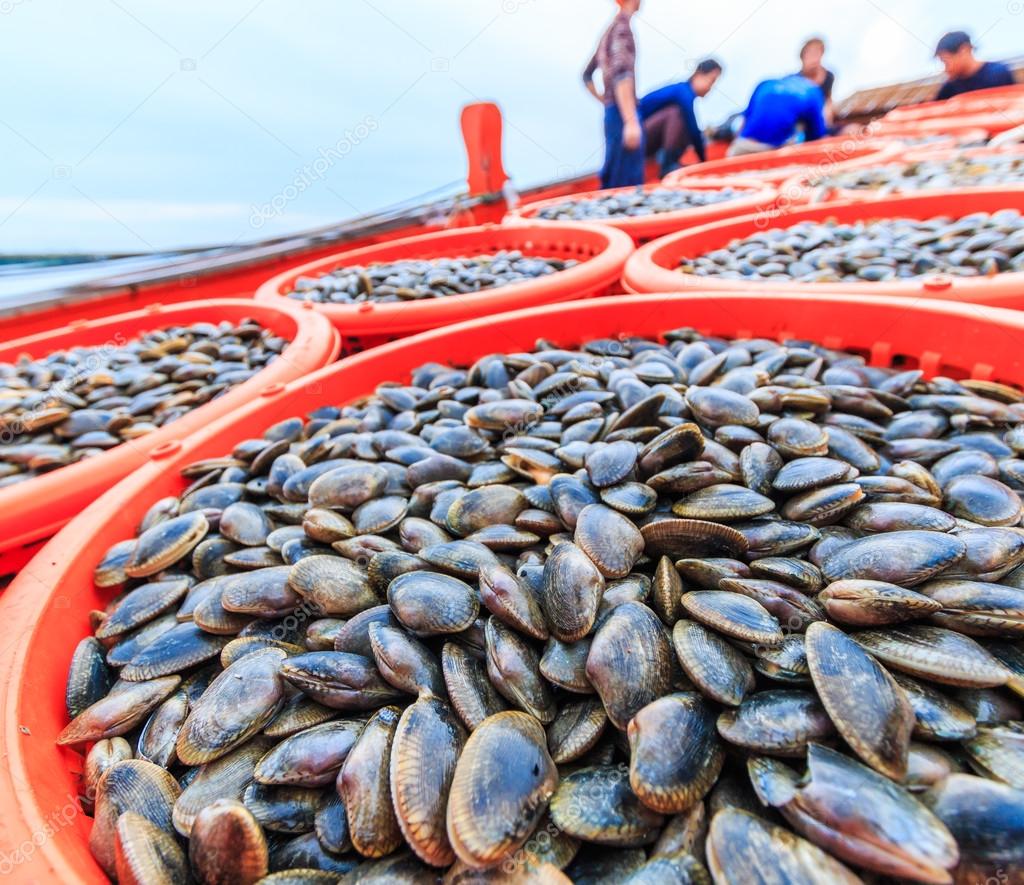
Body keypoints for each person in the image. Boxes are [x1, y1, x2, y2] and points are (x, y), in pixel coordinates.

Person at [583, 0, 644, 189]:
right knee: (626, 182)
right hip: (621, 111)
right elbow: (621, 74)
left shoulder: (608, 31)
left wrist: (605, 100)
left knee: (613, 175)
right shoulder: (622, 28)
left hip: (612, 110)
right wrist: (630, 120)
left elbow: (586, 75)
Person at [639, 59, 723, 176]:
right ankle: (668, 164)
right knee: (677, 113)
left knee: (685, 122)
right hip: (637, 138)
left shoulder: (685, 93)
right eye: (711, 81)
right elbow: (693, 129)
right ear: (698, 74)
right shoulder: (683, 91)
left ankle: (670, 161)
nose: (711, 87)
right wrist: (703, 161)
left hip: (647, 141)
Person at [727, 73, 828, 157]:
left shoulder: (765, 83)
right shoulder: (814, 91)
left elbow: (745, 121)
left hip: (742, 146)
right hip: (774, 151)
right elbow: (817, 136)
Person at [935, 31, 1015, 100]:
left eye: (946, 61)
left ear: (964, 50)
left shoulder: (998, 73)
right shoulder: (949, 88)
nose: (945, 69)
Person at [797, 37, 835, 127]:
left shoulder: (828, 76)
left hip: (821, 125)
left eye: (817, 53)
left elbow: (828, 102)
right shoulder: (795, 81)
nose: (814, 58)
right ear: (803, 57)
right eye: (810, 53)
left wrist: (826, 123)